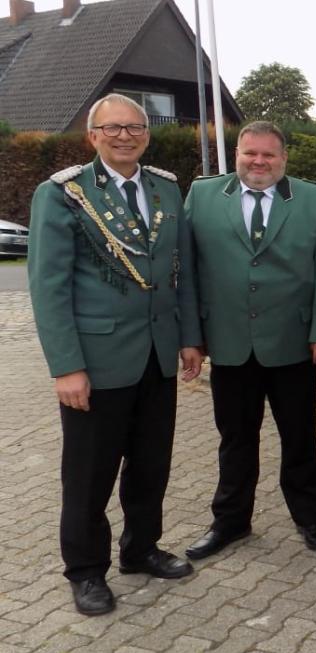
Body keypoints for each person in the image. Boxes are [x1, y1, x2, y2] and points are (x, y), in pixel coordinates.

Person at [27, 93, 201, 615]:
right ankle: (85, 571)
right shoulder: (64, 194)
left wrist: (189, 337)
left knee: (151, 464)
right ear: (93, 135)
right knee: (89, 474)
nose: (125, 135)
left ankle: (140, 548)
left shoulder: (166, 189)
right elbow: (48, 287)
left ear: (146, 133)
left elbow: (180, 271)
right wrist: (66, 367)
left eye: (135, 127)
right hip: (97, 362)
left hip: (156, 353)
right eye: (113, 128)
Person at [181, 121, 316, 560]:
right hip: (229, 341)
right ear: (236, 154)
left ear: (283, 158)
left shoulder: (314, 199)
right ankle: (231, 521)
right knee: (235, 439)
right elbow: (189, 272)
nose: (258, 162)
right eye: (249, 153)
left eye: (268, 155)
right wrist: (191, 337)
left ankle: (309, 516)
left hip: (293, 342)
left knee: (300, 437)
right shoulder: (203, 195)